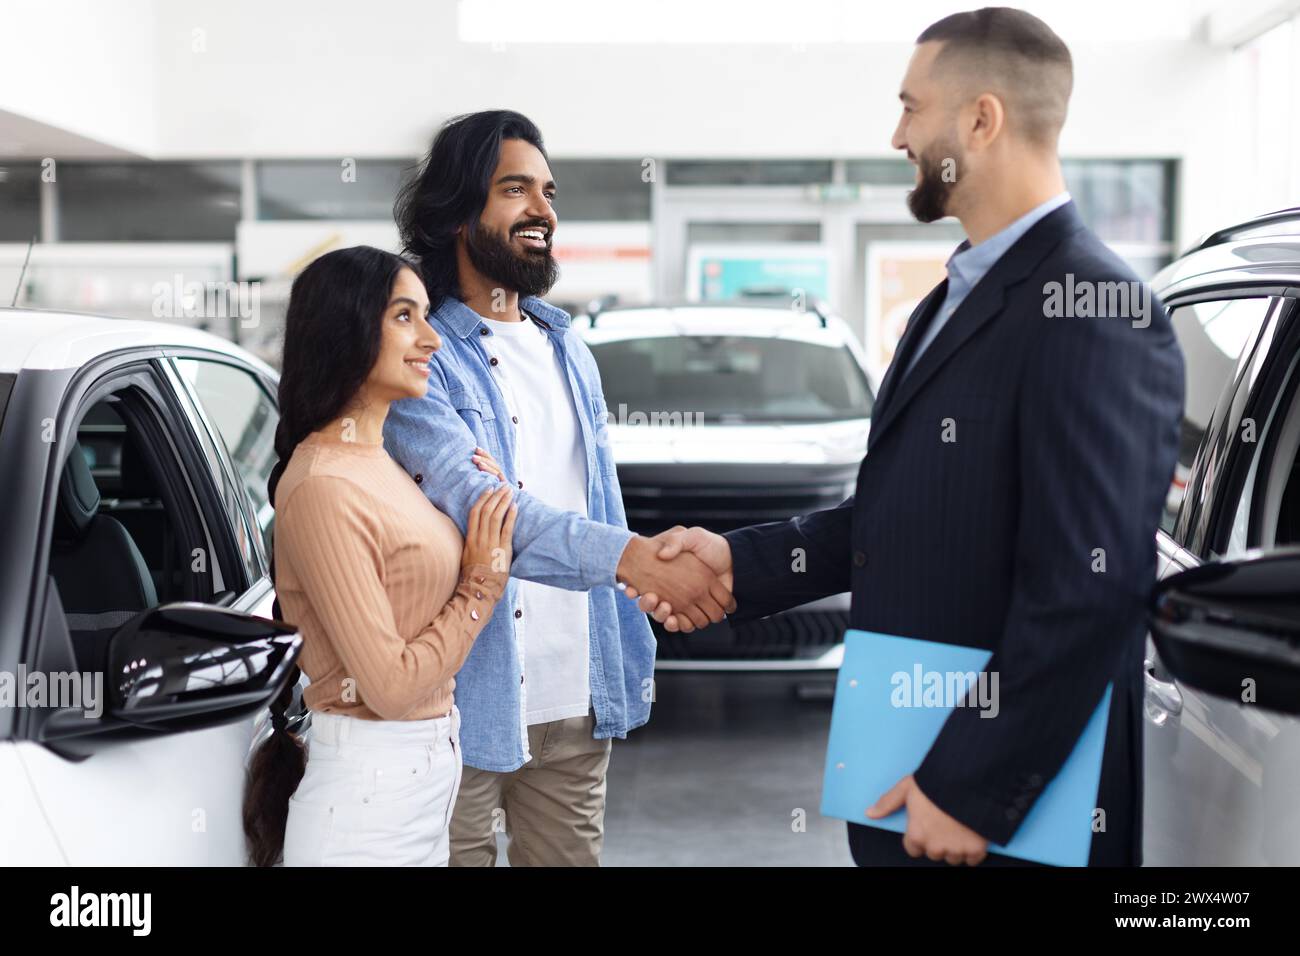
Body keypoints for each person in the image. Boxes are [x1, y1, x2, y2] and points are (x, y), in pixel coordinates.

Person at [629, 7, 1185, 867]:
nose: (897, 135)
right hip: (908, 776)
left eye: (911, 107)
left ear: (981, 119)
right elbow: (900, 512)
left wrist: (975, 790)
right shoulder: (948, 300)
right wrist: (740, 563)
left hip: (1002, 823)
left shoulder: (1093, 312)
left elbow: (1089, 586)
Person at [384, 110, 733, 866]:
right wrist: (635, 559)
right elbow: (489, 512)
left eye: (548, 192)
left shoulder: (570, 348)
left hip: (576, 688)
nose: (543, 211)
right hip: (462, 699)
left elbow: (593, 502)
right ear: (457, 213)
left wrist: (636, 572)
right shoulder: (423, 359)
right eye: (516, 190)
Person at [242, 245, 516, 866]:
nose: (431, 339)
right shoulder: (322, 483)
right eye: (404, 317)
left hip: (415, 783)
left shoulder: (379, 462)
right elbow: (389, 688)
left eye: (424, 315)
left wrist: (478, 511)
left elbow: (408, 581)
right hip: (367, 802)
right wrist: (482, 585)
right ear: (347, 329)